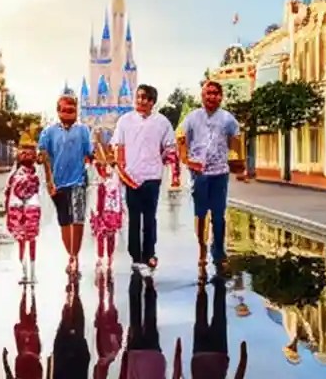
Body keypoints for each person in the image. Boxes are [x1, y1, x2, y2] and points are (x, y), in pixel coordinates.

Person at [109, 84, 175, 276]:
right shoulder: (125, 121)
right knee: (134, 219)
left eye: (145, 98)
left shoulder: (162, 122)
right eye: (138, 97)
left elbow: (169, 147)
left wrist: (163, 162)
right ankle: (136, 257)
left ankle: (150, 254)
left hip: (152, 177)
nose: (141, 101)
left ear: (152, 101)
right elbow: (118, 147)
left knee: (150, 218)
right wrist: (121, 170)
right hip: (131, 176)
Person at [180, 81, 240, 280]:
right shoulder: (192, 118)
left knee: (218, 214)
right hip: (200, 175)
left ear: (221, 96)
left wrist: (239, 164)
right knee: (200, 214)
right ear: (202, 95)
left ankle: (219, 250)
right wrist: (188, 161)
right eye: (208, 93)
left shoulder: (228, 119)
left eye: (215, 93)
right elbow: (181, 140)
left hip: (220, 173)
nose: (211, 97)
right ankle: (202, 248)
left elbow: (236, 142)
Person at [39, 95, 95, 277]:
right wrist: (49, 181)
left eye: (72, 111)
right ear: (58, 111)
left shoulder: (83, 131)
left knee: (77, 220)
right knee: (65, 221)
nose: (68, 114)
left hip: (78, 181)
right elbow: (44, 157)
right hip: (58, 183)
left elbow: (89, 154)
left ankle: (75, 257)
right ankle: (70, 254)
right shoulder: (48, 132)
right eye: (64, 110)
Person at [173, 281, 248, 379]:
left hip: (218, 353)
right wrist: (178, 353)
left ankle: (218, 283)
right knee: (201, 318)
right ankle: (203, 286)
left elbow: (239, 374)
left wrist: (243, 356)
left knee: (219, 315)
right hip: (200, 354)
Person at [4, 130, 43, 284]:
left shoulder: (34, 173)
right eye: (23, 151)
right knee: (23, 240)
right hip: (18, 206)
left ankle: (31, 273)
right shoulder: (15, 174)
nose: (26, 154)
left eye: (30, 152)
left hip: (29, 206)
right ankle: (25, 272)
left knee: (29, 239)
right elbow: (8, 191)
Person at [89, 138, 124, 274]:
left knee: (110, 235)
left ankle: (109, 258)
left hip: (112, 209)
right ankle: (100, 257)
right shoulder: (98, 172)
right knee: (100, 235)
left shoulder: (116, 174)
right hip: (101, 208)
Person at [122, 273, 166, 379]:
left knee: (150, 319)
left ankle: (149, 287)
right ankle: (136, 281)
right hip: (136, 356)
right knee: (135, 317)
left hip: (152, 356)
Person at [51, 280, 90, 379]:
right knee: (72, 321)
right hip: (70, 350)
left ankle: (73, 293)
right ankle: (73, 292)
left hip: (69, 351)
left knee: (71, 321)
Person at [1, 285, 43, 379]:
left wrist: (5, 359)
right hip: (30, 356)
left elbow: (9, 375)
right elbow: (9, 375)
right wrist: (4, 359)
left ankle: (29, 293)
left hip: (28, 356)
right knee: (28, 326)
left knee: (28, 326)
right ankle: (29, 293)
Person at [92, 273, 122, 379]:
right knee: (107, 306)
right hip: (108, 333)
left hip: (106, 333)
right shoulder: (108, 357)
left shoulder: (103, 355)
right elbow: (116, 348)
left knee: (104, 306)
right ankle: (106, 287)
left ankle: (104, 286)